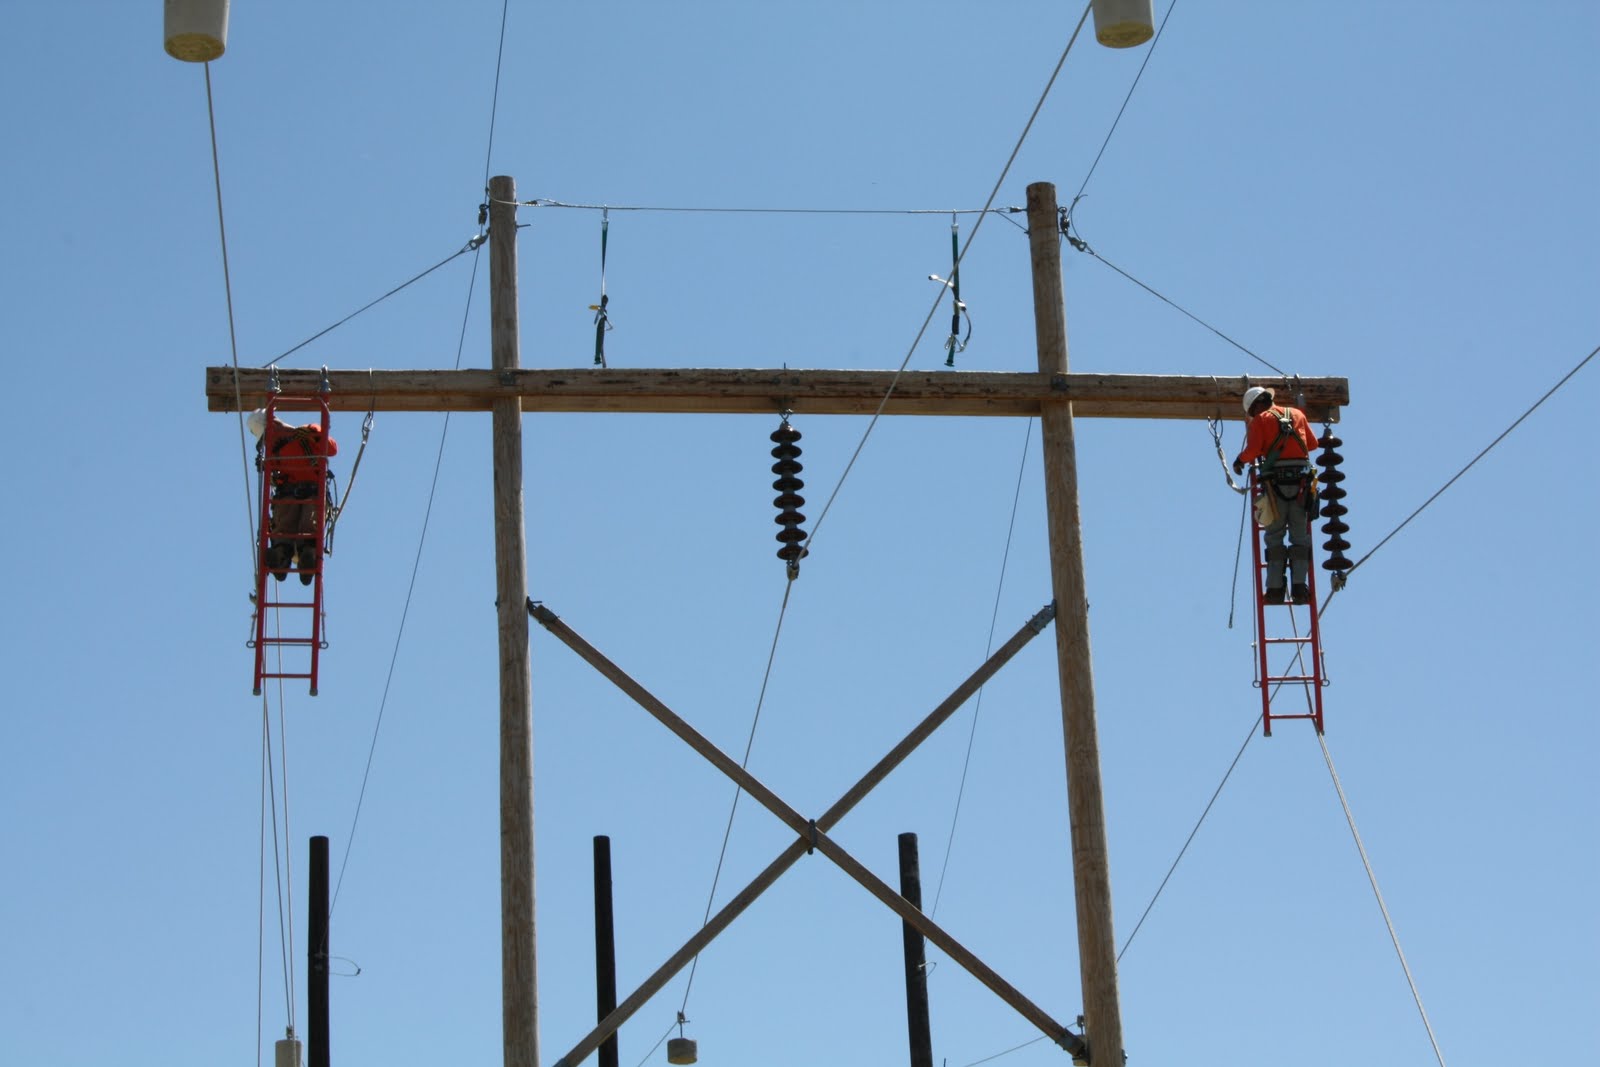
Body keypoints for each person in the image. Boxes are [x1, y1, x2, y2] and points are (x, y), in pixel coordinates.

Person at [1232, 386, 1318, 604]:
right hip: (1300, 487)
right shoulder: (1297, 415)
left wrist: (1239, 460)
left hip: (1275, 489)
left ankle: (1275, 590)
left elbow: (1252, 450)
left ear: (1255, 406)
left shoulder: (1261, 420)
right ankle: (1300, 588)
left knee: (1274, 538)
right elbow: (1313, 444)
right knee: (1300, 538)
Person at [247, 409, 338, 585]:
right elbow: (332, 449)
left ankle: (293, 553)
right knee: (303, 526)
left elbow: (332, 448)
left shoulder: (301, 435)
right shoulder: (277, 449)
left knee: (290, 526)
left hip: (300, 495)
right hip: (303, 494)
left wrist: (314, 432)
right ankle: (293, 553)